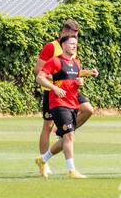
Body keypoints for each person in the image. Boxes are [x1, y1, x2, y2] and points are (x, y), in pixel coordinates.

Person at [35, 34, 98, 179]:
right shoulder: (55, 61)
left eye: (76, 43)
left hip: (73, 103)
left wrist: (79, 82)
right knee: (69, 135)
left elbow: (73, 78)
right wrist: (54, 88)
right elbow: (39, 77)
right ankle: (72, 171)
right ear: (63, 45)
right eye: (71, 43)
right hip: (58, 103)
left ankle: (42, 160)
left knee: (66, 138)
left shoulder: (77, 63)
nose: (74, 46)